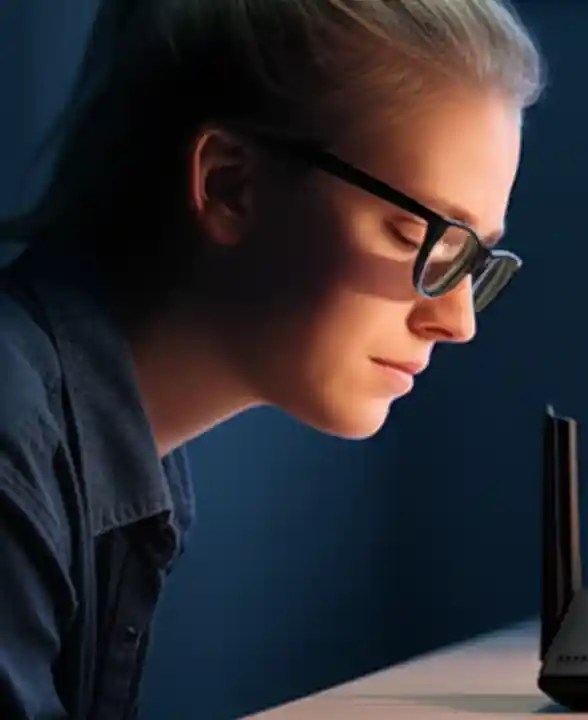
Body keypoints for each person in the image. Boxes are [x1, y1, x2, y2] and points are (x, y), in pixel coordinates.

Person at [0, 0, 543, 717]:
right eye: (420, 234)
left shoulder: (115, 461)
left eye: (473, 260)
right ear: (231, 184)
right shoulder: (15, 452)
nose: (457, 320)